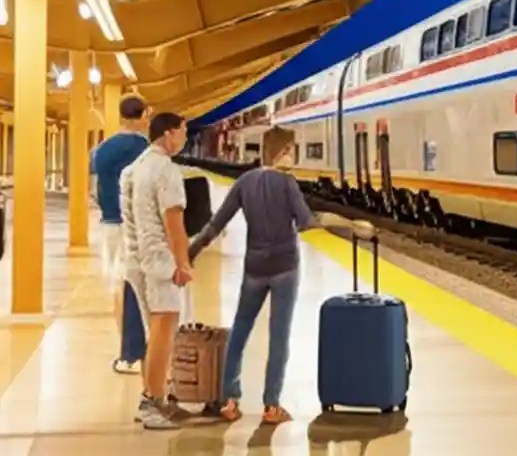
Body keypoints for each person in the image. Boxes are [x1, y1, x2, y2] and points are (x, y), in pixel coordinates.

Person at [189, 126, 358, 424]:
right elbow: (306, 222)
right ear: (281, 151)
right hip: (285, 268)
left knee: (240, 330)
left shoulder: (245, 182)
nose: (293, 155)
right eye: (291, 149)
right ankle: (271, 406)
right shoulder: (287, 183)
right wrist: (344, 224)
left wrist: (191, 253)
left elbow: (215, 225)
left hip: (254, 268)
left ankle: (229, 400)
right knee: (279, 336)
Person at [121, 111, 194, 430]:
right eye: (183, 131)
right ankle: (151, 403)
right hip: (161, 262)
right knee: (164, 330)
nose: (185, 137)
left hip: (137, 259)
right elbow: (173, 221)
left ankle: (156, 397)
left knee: (156, 332)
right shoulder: (166, 170)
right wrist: (183, 262)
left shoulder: (134, 169)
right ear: (168, 133)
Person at [90, 95, 151, 376]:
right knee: (135, 284)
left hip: (110, 223)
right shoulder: (144, 149)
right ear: (142, 116)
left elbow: (93, 188)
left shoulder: (102, 149)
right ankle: (133, 351)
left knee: (117, 285)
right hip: (135, 225)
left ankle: (125, 348)